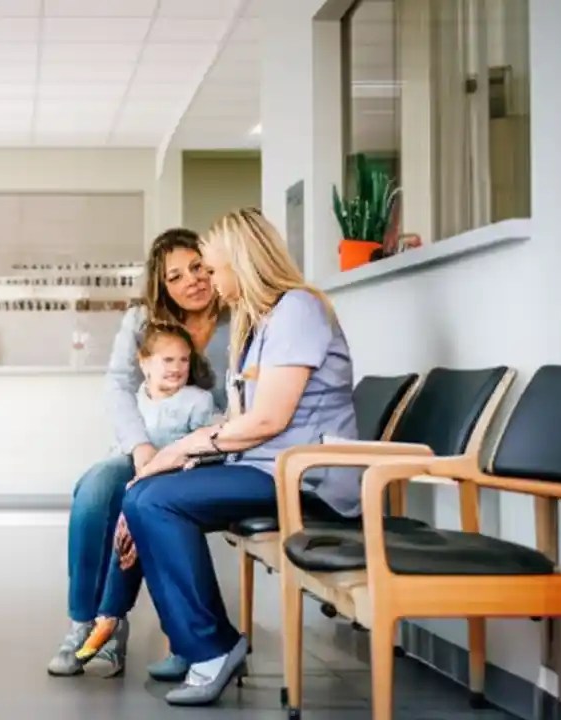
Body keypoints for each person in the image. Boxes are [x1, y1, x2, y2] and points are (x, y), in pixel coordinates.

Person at [118, 207, 359, 706]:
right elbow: (238, 420)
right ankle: (193, 645)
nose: (208, 279)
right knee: (145, 496)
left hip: (306, 478)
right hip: (265, 467)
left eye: (211, 266)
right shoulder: (263, 321)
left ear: (240, 262)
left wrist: (181, 449)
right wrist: (160, 465)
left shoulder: (298, 309)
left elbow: (267, 420)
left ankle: (211, 648)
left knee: (157, 502)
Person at [48, 228, 230, 679]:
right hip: (143, 447)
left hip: (203, 454)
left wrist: (193, 449)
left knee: (148, 505)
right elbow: (118, 387)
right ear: (160, 285)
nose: (192, 280)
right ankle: (84, 625)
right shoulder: (141, 320)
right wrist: (142, 449)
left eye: (198, 267)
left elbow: (243, 402)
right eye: (176, 275)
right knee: (95, 490)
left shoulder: (237, 315)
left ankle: (124, 627)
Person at [71, 321, 218, 663]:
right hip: (136, 474)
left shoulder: (198, 400)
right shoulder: (134, 402)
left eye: (184, 361)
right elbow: (121, 447)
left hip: (173, 476)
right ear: (144, 362)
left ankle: (110, 617)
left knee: (137, 524)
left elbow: (200, 449)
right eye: (168, 360)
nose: (178, 368)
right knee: (104, 503)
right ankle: (92, 620)